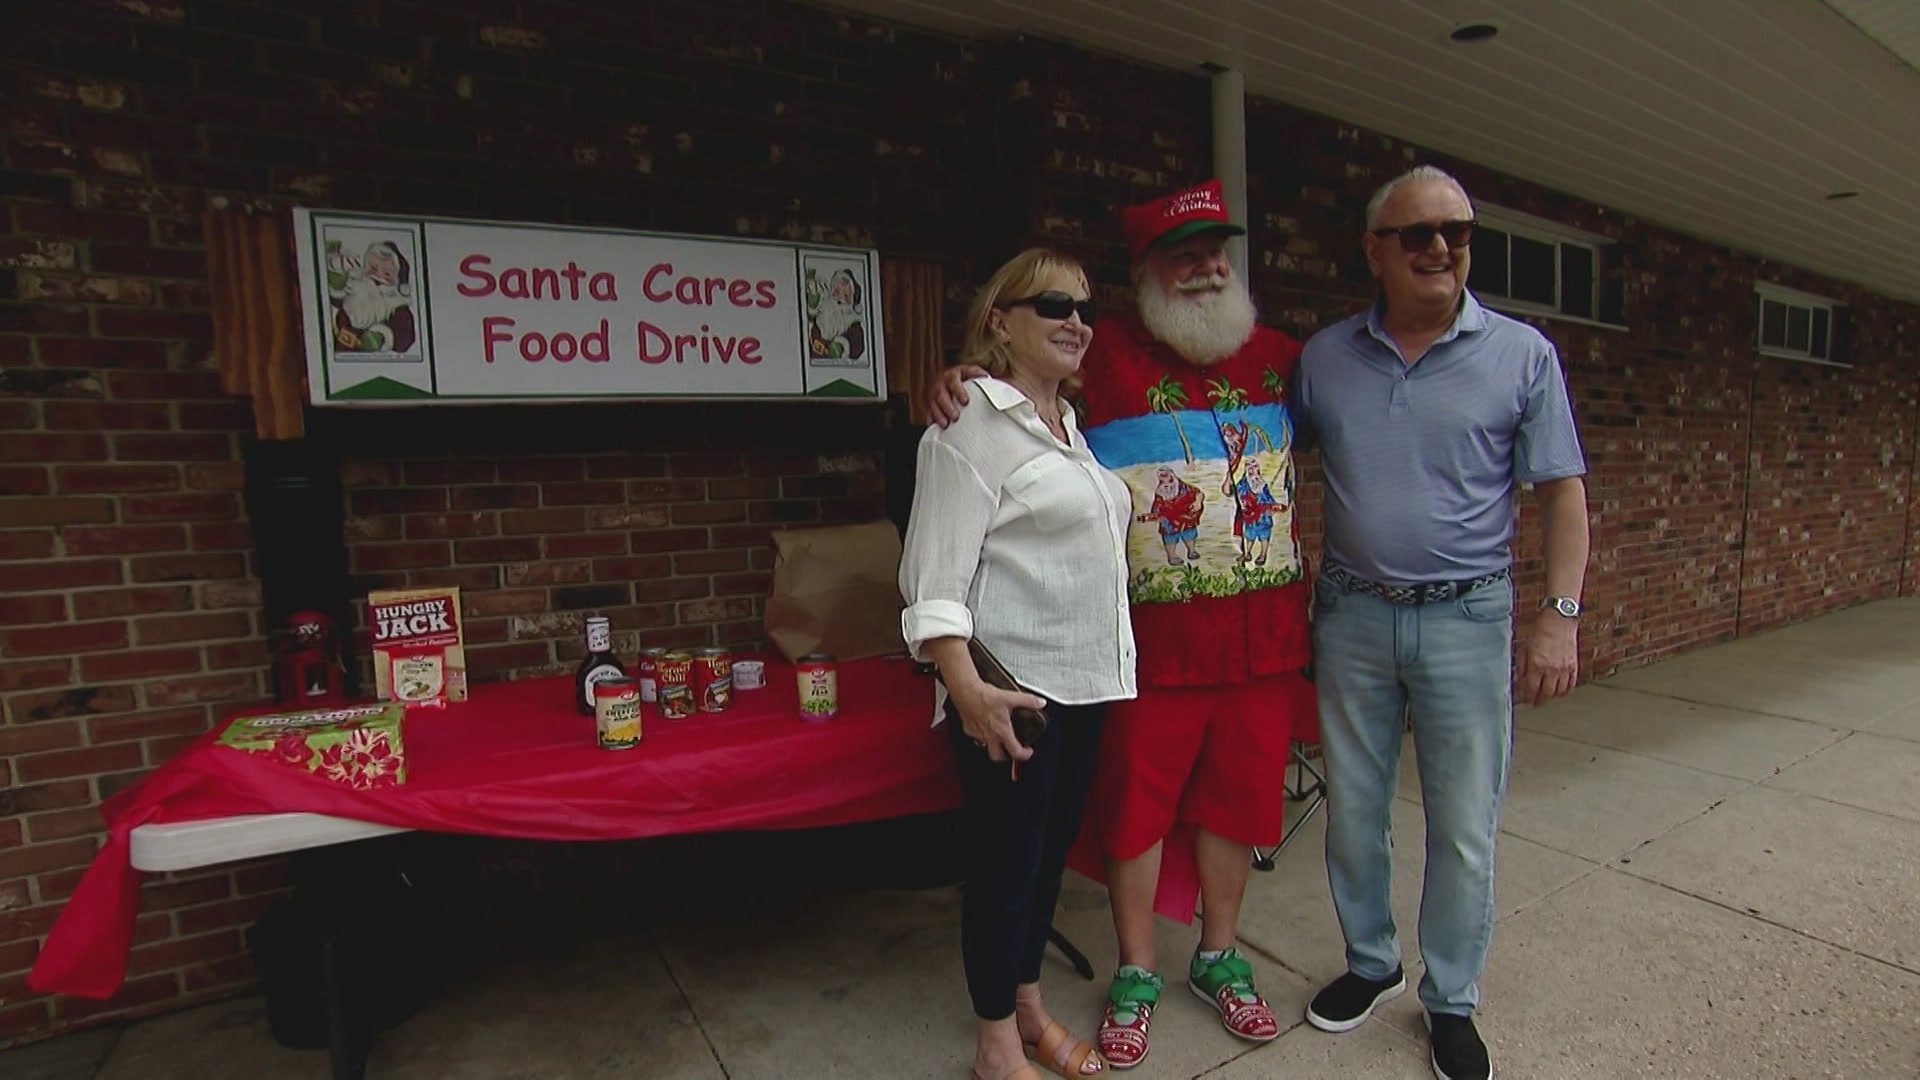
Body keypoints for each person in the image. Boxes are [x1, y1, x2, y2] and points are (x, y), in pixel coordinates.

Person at [930, 180, 1315, 1070]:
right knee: (1133, 811)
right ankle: (1137, 970)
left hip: (1262, 644)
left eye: (1218, 251)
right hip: (1144, 653)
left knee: (1239, 803)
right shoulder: (1095, 365)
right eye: (1184, 254)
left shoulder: (1284, 358)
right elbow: (996, 394)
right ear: (1146, 273)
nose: (1207, 268)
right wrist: (951, 382)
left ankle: (1219, 954)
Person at [1293, 165, 1590, 1080]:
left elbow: (1563, 493)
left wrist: (1559, 618)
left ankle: (1451, 998)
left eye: (1457, 233)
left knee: (1464, 822)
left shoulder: (1521, 355)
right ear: (1375, 250)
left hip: (1467, 617)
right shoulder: (1325, 358)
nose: (1440, 248)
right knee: (1354, 813)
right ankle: (1373, 962)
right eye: (1418, 233)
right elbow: (1251, 444)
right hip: (1351, 616)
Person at [900, 248, 1136, 1080]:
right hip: (1010, 693)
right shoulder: (970, 423)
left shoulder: (1069, 425)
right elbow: (934, 576)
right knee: (1006, 866)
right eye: (1053, 304)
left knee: (1047, 856)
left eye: (1087, 307)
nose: (1078, 320)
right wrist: (966, 691)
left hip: (1084, 682)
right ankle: (996, 1043)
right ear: (1002, 321)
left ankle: (1027, 1002)